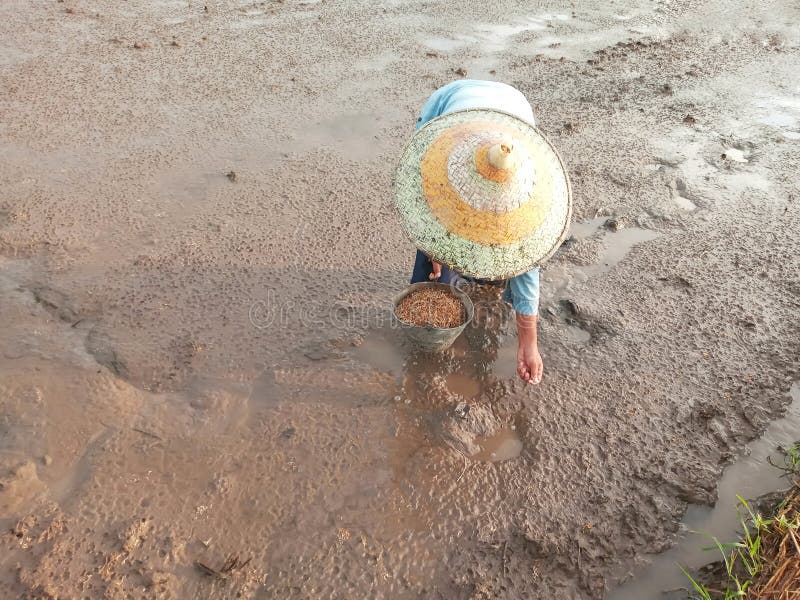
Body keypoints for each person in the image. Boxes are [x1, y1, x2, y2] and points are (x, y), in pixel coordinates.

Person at [395, 80, 572, 386]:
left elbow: (527, 266)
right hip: (451, 107)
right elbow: (420, 205)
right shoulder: (439, 155)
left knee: (506, 259)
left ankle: (489, 271)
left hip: (513, 111)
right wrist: (431, 249)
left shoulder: (529, 196)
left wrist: (528, 343)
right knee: (434, 266)